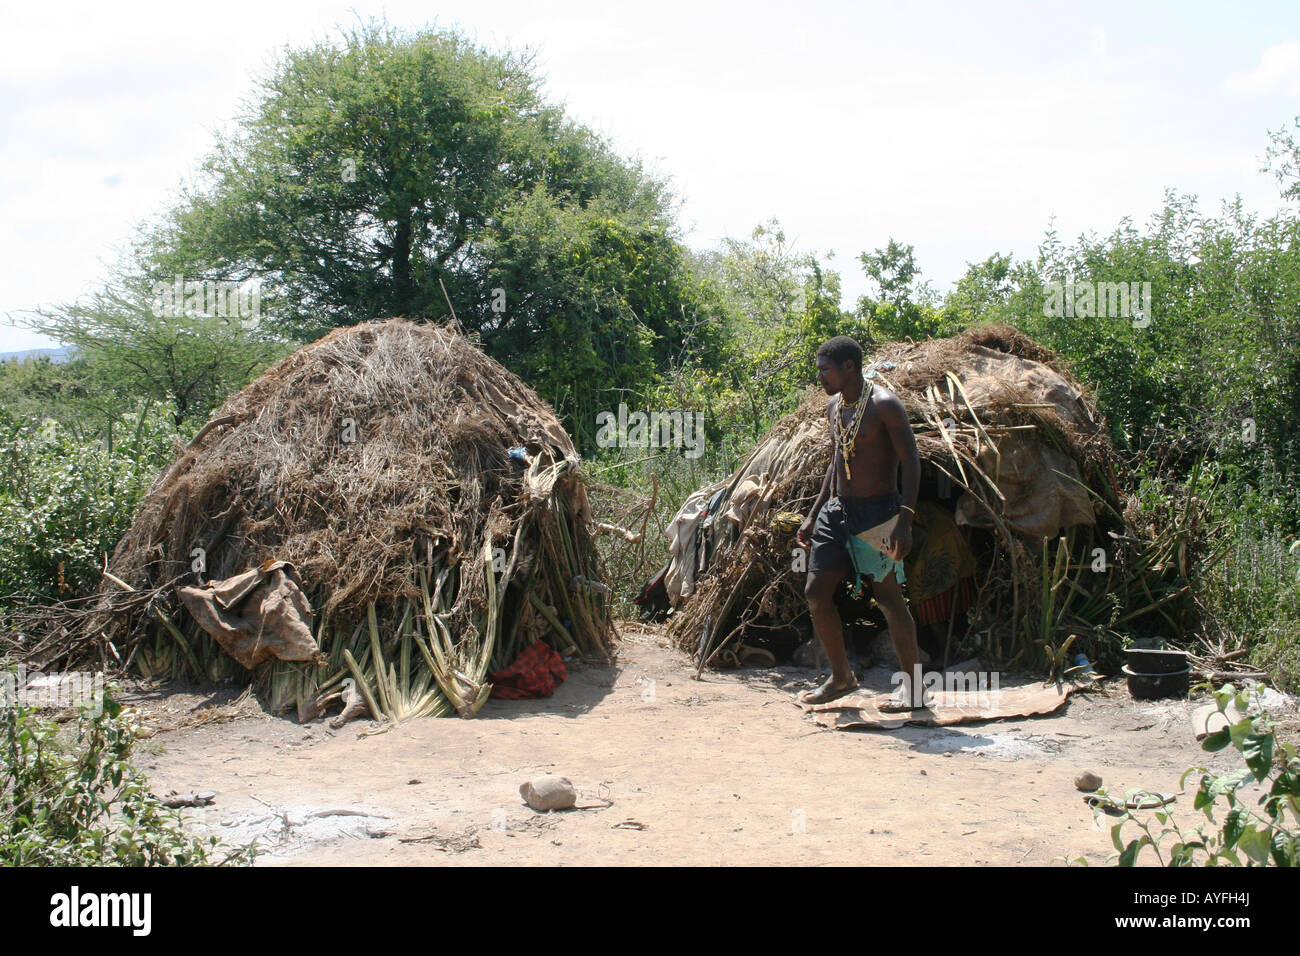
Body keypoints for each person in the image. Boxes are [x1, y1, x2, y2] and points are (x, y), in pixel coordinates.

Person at [795, 336, 925, 708]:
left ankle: (914, 690)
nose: (820, 377)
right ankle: (841, 678)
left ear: (849, 367)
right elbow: (838, 461)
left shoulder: (885, 406)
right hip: (837, 511)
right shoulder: (834, 408)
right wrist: (815, 512)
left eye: (825, 370)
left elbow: (912, 462)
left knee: (888, 598)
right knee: (816, 594)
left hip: (879, 513)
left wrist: (906, 518)